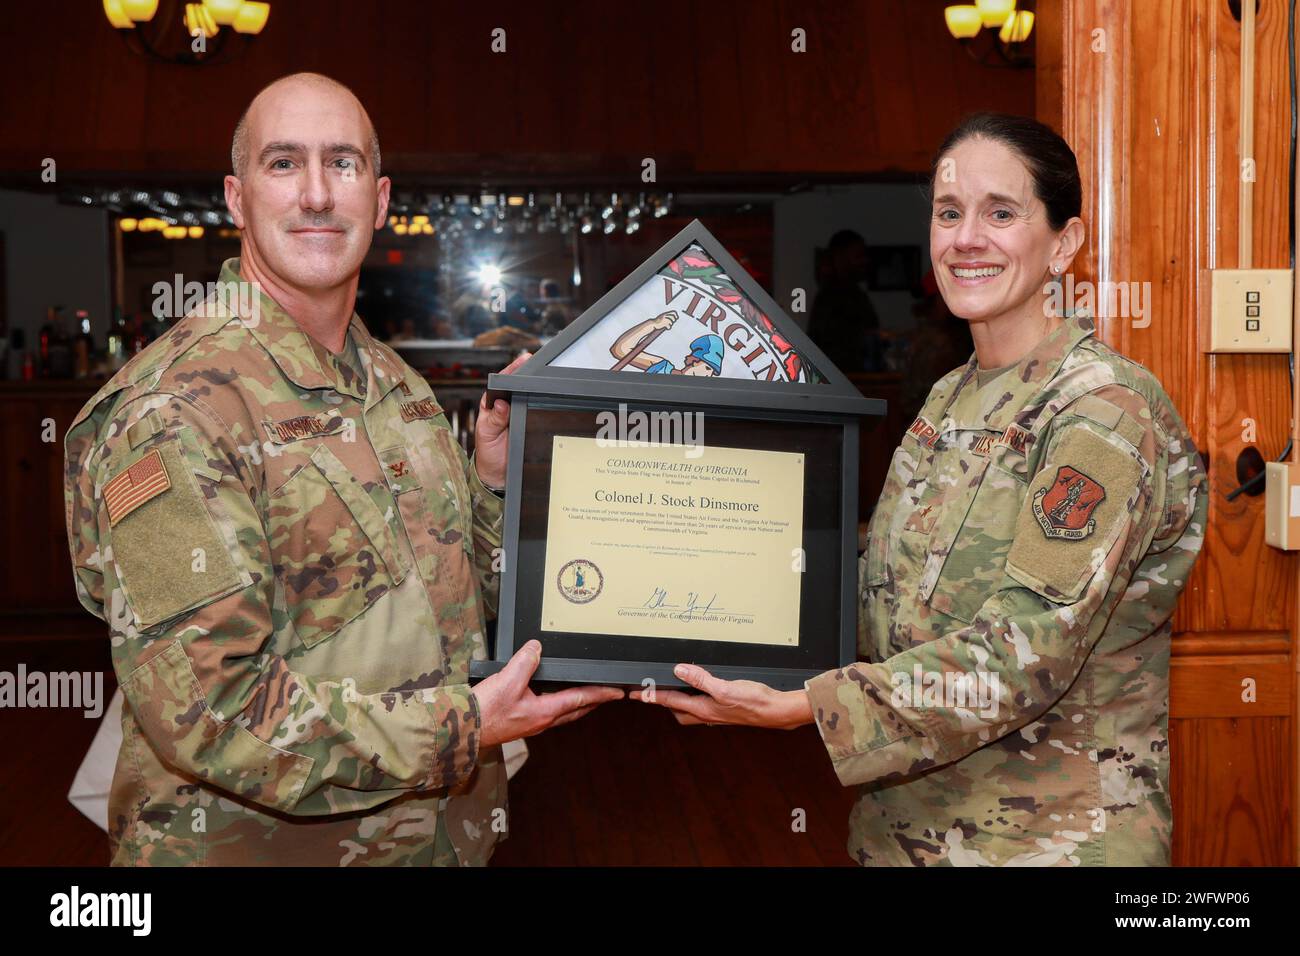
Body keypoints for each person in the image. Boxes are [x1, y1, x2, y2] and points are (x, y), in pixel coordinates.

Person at [63, 72, 621, 867]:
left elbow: (461, 602)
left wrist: (494, 483)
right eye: (284, 163)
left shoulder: (397, 386)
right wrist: (464, 727)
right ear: (235, 196)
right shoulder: (168, 414)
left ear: (381, 196)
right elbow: (211, 709)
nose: (318, 194)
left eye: (345, 163)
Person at [639, 112, 1207, 867]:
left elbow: (1026, 650)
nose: (966, 237)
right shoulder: (949, 396)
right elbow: (885, 585)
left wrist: (810, 706)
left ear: (1064, 243)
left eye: (1001, 213)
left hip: (1048, 841)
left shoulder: (1100, 409)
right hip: (911, 830)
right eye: (949, 213)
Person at [807, 229, 881, 372]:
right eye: (858, 256)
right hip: (846, 379)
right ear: (840, 257)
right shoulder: (831, 296)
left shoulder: (854, 293)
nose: (865, 261)